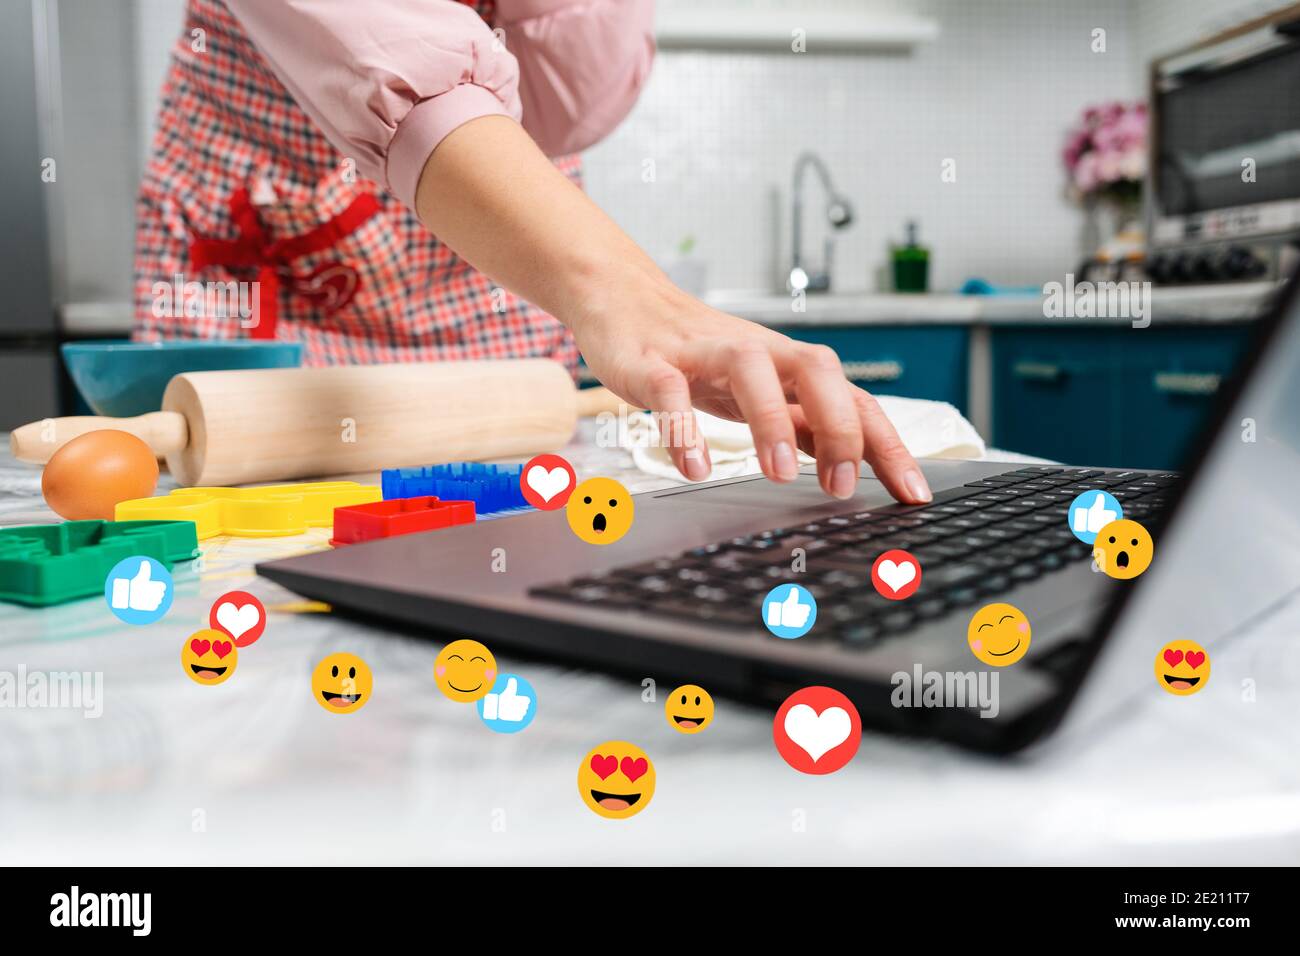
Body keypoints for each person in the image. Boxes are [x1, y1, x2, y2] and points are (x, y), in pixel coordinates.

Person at [134, 0, 932, 505]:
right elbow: (397, 59)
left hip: (498, 281)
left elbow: (564, 96)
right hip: (275, 254)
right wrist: (631, 297)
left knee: (502, 562)